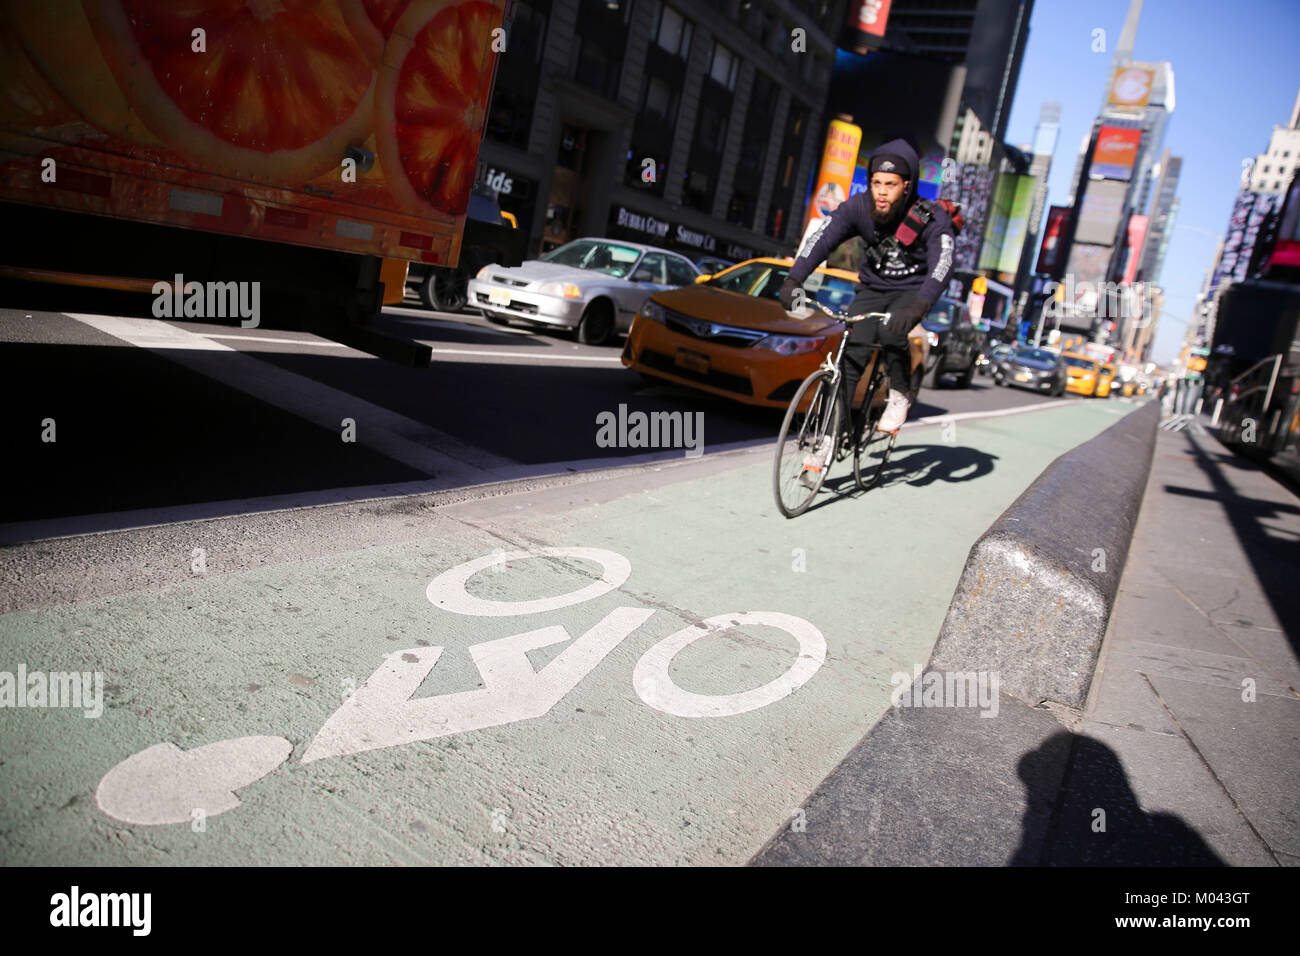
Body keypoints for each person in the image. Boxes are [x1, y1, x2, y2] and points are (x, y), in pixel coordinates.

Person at [779, 139, 955, 452]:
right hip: (871, 288)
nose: (882, 192)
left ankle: (900, 394)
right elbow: (823, 238)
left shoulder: (929, 217)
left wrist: (920, 305)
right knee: (850, 360)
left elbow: (944, 260)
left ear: (907, 186)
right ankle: (830, 438)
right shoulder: (858, 207)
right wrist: (795, 278)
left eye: (891, 184)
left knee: (890, 332)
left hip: (910, 292)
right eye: (876, 183)